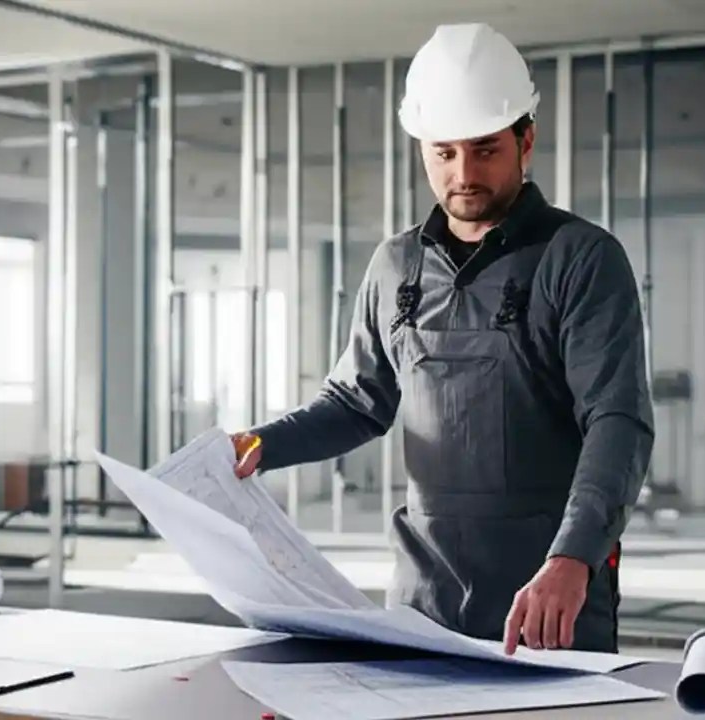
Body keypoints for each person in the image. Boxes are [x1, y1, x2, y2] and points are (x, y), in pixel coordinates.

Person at [231, 22, 653, 655]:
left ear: (525, 139)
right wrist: (258, 444)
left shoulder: (581, 258)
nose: (464, 174)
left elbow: (616, 421)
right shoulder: (395, 265)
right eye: (444, 152)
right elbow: (356, 404)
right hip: (421, 601)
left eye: (485, 149)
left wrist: (573, 558)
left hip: (546, 600)